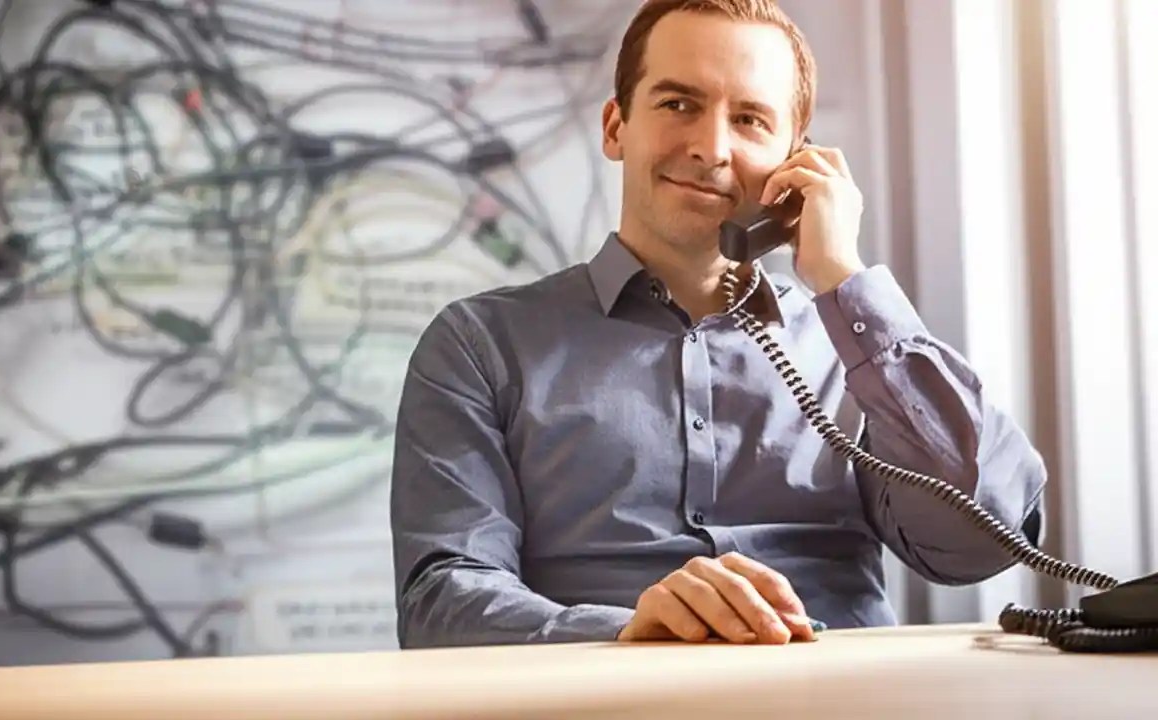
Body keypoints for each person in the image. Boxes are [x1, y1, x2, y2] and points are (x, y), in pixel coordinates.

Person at [389, 0, 1046, 648]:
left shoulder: (857, 350)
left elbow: (981, 545)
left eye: (752, 119)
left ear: (797, 161)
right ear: (616, 128)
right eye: (679, 104)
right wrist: (627, 632)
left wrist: (845, 280)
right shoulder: (480, 345)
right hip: (600, 701)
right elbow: (443, 599)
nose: (711, 147)